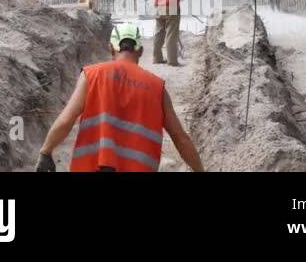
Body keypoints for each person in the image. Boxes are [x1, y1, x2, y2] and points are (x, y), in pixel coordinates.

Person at [35, 23, 204, 173]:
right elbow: (180, 137)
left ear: (111, 48)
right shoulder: (157, 87)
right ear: (140, 51)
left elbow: (67, 118)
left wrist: (46, 151)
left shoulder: (91, 76)